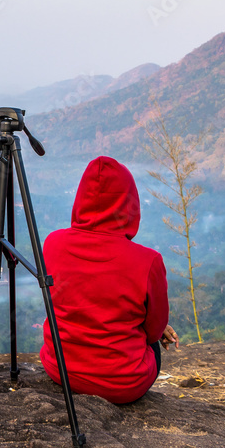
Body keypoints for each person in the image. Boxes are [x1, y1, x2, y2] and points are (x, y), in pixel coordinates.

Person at [39, 156, 179, 404]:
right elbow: (153, 331)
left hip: (60, 370)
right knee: (154, 346)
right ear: (129, 203)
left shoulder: (52, 244)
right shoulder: (148, 261)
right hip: (122, 385)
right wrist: (155, 330)